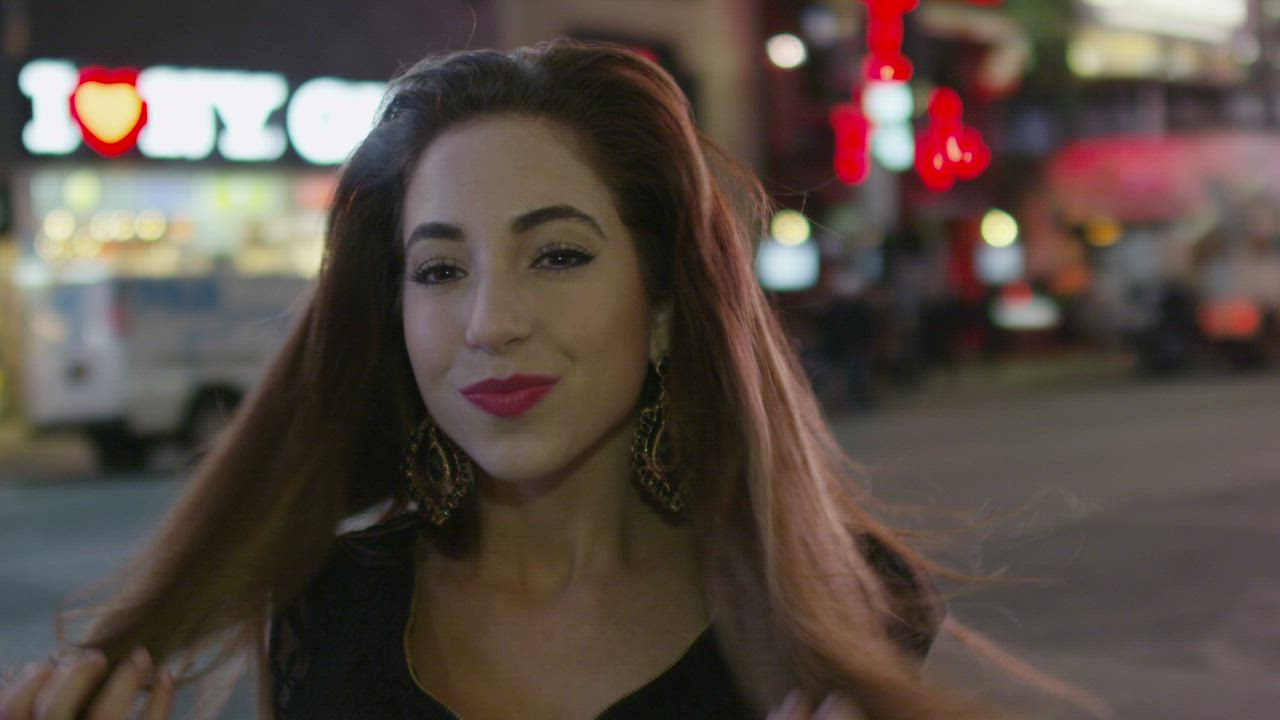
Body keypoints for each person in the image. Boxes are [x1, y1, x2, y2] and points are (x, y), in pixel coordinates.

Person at [3, 41, 1000, 719]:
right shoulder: (326, 607)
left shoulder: (845, 609)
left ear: (662, 305)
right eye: (440, 270)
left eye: (557, 256)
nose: (489, 323)